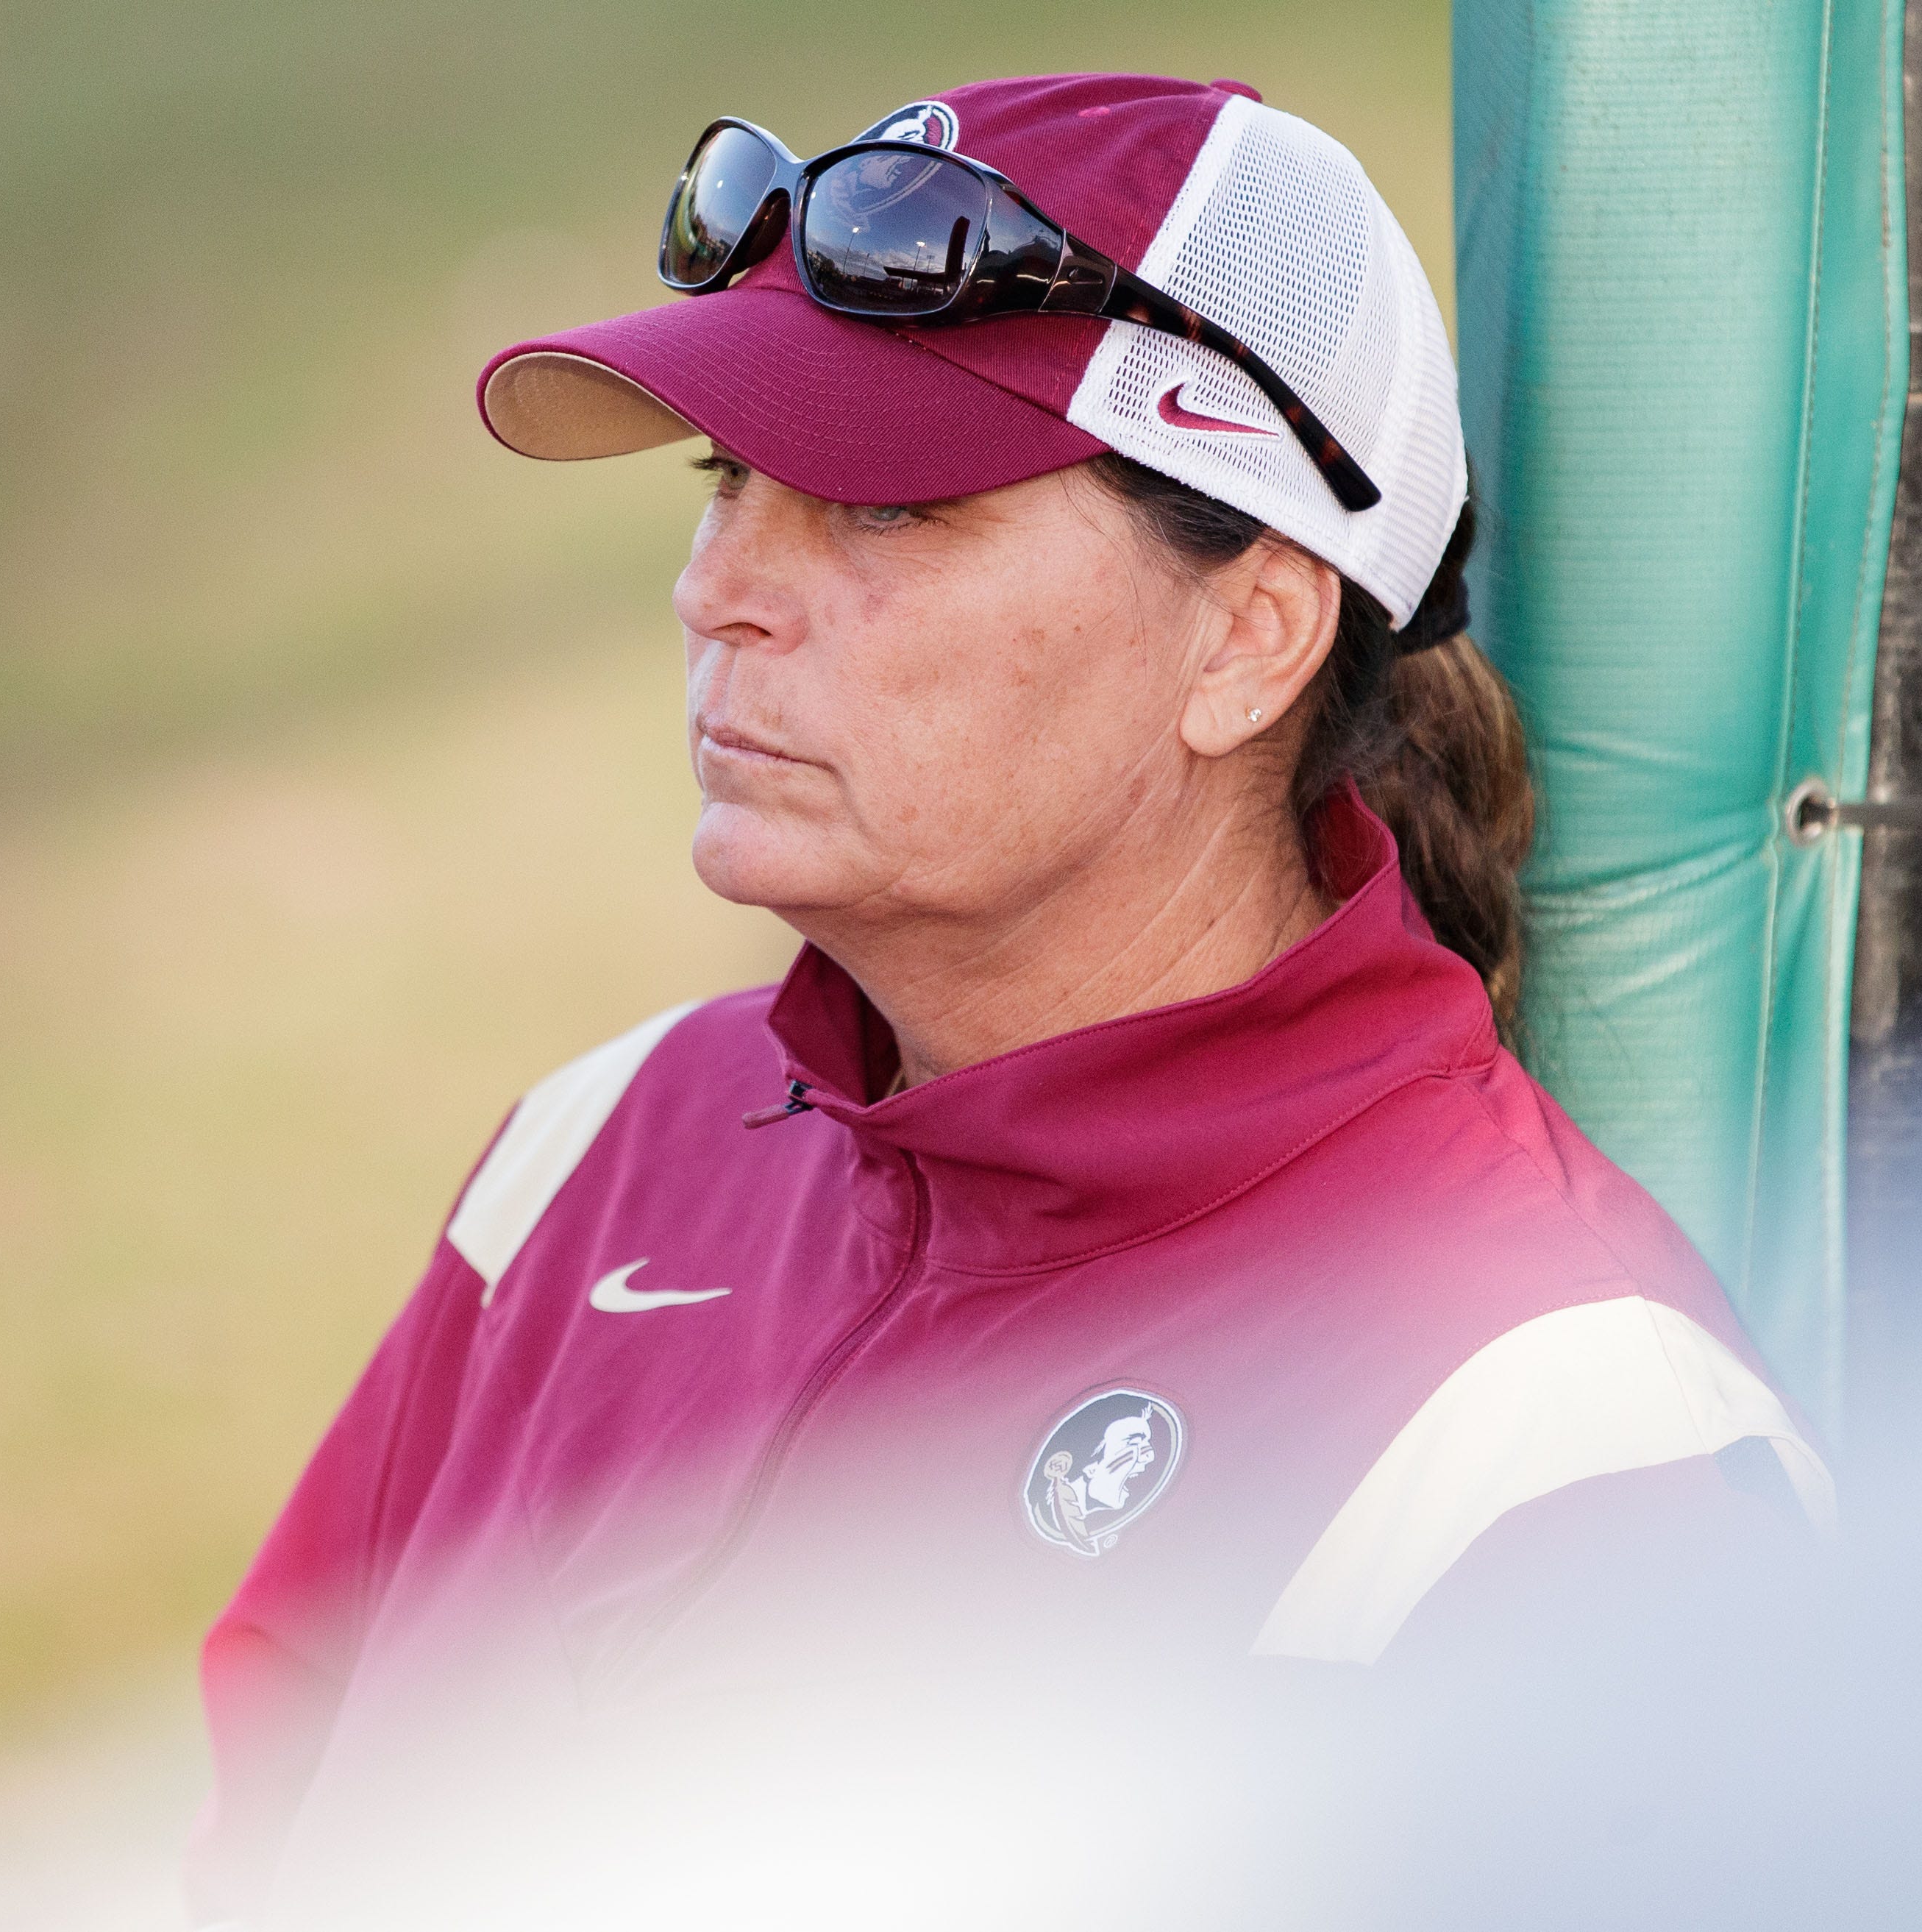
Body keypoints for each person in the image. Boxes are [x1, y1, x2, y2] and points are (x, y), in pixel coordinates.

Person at [191, 71, 1832, 1928]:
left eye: (885, 508)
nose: (715, 585)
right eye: (726, 480)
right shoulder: (599, 1150)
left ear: (1247, 635)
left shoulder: (1559, 1445)